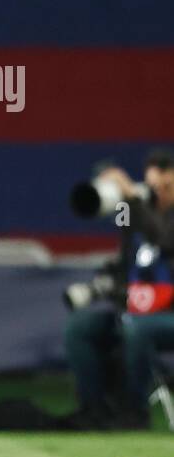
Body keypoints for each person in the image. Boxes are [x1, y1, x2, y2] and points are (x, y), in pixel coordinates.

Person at [64, 149, 174, 424]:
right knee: (80, 327)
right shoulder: (138, 221)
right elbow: (129, 270)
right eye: (153, 187)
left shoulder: (148, 218)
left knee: (136, 329)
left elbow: (165, 241)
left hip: (167, 315)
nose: (158, 193)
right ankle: (94, 411)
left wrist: (133, 198)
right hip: (137, 313)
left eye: (167, 187)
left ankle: (134, 413)